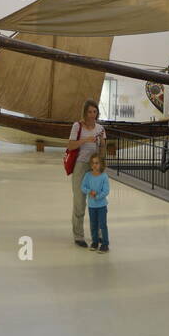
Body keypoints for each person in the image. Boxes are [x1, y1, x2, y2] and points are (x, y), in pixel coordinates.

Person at [66, 100, 105, 246]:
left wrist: (101, 143)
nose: (92, 115)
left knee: (96, 201)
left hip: (94, 166)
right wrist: (85, 140)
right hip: (80, 166)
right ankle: (78, 236)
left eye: (95, 112)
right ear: (85, 112)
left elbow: (103, 150)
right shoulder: (77, 126)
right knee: (79, 201)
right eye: (89, 112)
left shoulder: (100, 128)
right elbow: (70, 145)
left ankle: (98, 234)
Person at [81, 152, 110, 251]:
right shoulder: (88, 175)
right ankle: (95, 242)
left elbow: (106, 191)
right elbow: (83, 187)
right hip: (91, 206)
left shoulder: (104, 176)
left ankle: (105, 244)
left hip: (101, 206)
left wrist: (97, 196)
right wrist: (89, 192)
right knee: (93, 225)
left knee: (102, 225)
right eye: (93, 163)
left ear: (101, 164)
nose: (94, 165)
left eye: (97, 163)